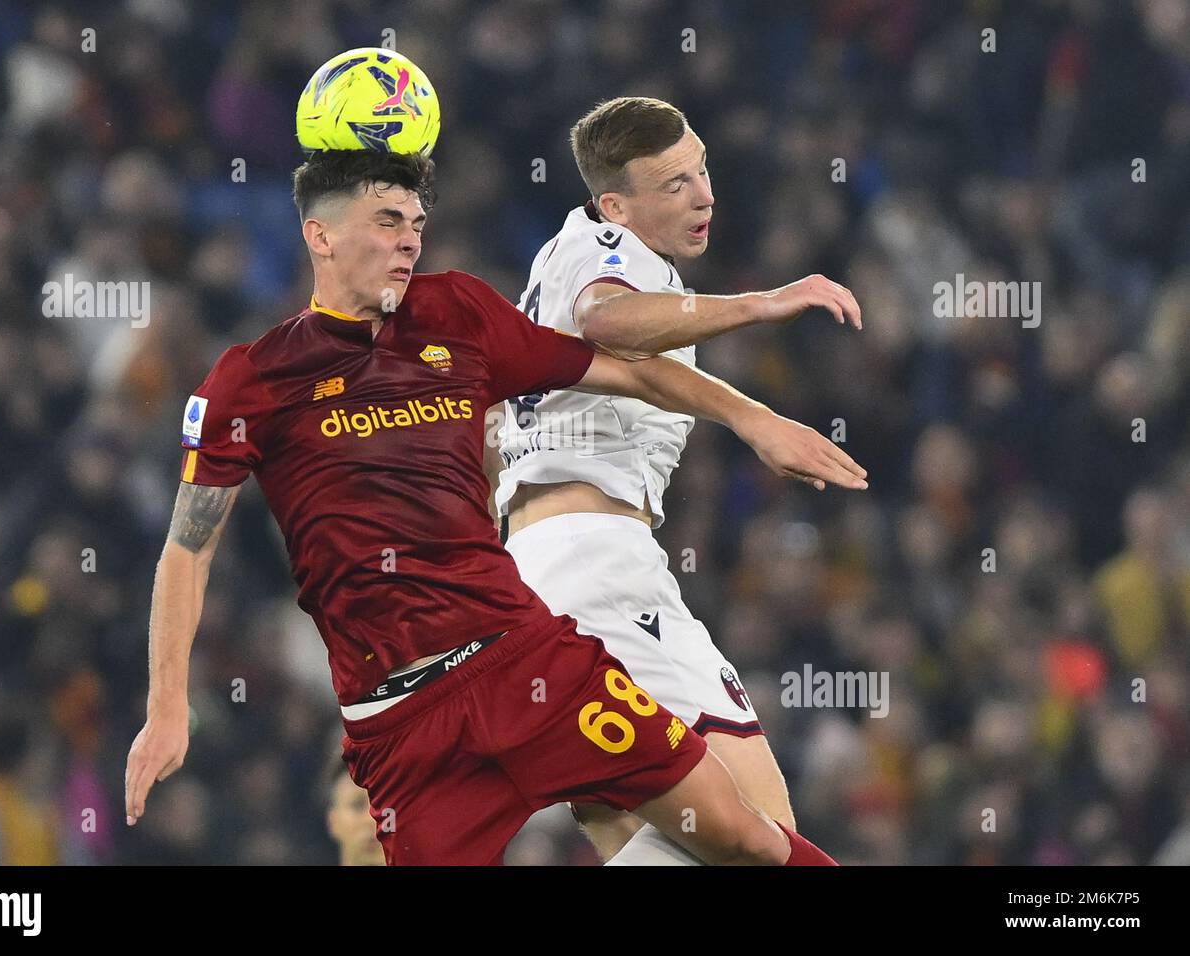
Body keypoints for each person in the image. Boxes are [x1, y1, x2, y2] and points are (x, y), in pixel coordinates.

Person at [124, 147, 866, 865]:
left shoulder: (455, 314)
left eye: (416, 222)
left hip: (521, 658)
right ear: (320, 234)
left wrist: (753, 419)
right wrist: (165, 706)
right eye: (387, 221)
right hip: (401, 727)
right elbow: (189, 548)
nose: (409, 239)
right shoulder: (251, 380)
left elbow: (630, 374)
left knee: (746, 836)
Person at [492, 96, 864, 864]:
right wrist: (761, 310)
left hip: (532, 582)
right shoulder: (599, 249)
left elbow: (608, 377)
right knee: (765, 832)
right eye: (674, 185)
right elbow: (608, 319)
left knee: (649, 836)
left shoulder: (554, 271)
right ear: (614, 205)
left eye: (703, 170)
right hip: (599, 571)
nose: (705, 196)